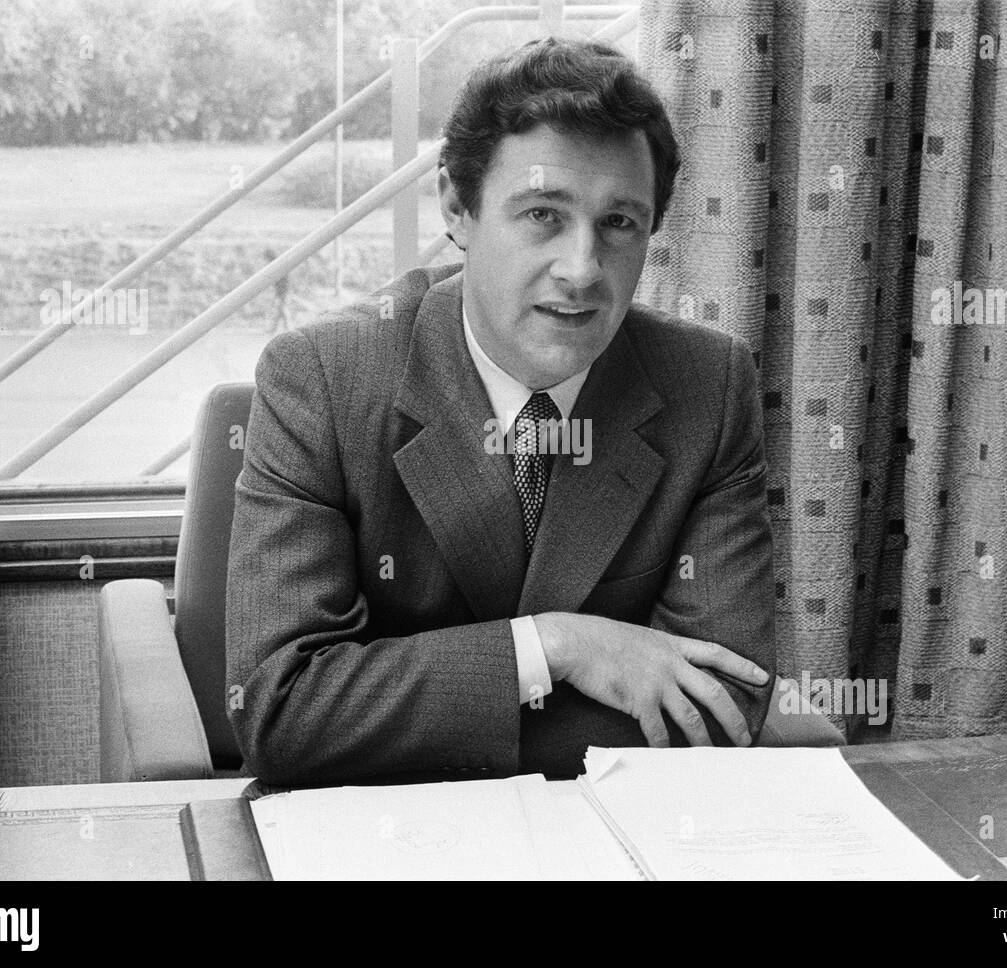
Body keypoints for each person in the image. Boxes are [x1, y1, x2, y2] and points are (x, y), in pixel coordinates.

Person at [225, 37, 776, 785]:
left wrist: (391, 717)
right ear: (457, 208)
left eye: (619, 223)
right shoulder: (320, 380)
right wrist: (554, 645)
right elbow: (284, 713)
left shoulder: (708, 384)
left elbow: (718, 701)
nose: (582, 269)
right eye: (544, 214)